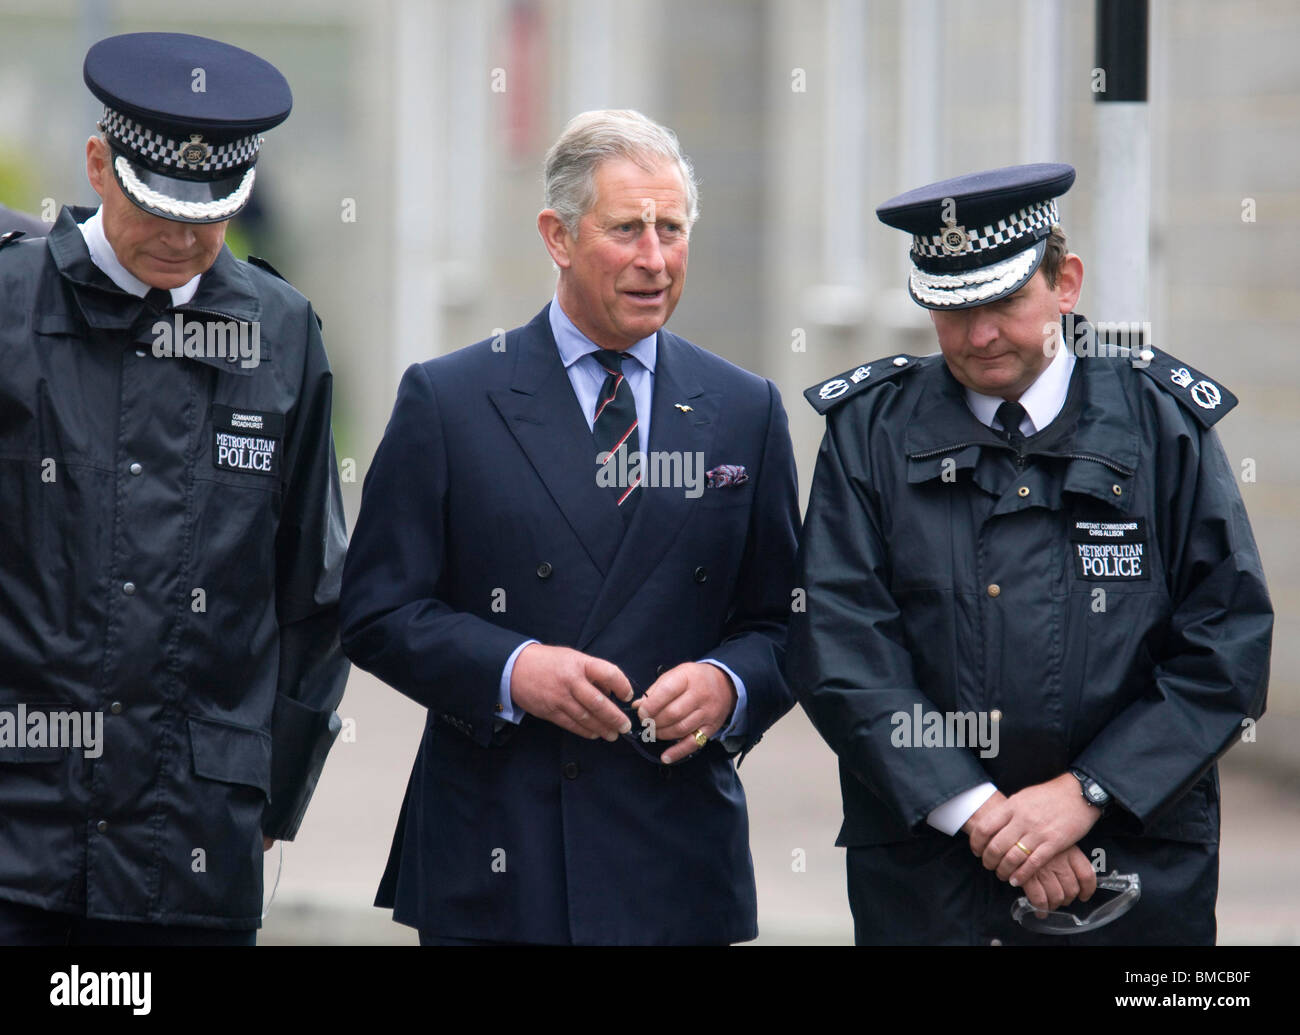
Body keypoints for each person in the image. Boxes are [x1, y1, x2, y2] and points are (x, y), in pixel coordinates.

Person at [340, 109, 800, 945]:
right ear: (557, 235)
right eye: (626, 230)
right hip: (499, 853)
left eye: (672, 229)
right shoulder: (450, 399)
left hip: (673, 859)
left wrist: (731, 687)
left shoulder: (745, 408)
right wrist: (515, 671)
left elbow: (790, 621)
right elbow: (374, 610)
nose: (654, 259)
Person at [787, 163, 1272, 945]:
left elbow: (1229, 642)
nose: (979, 335)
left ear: (1066, 282)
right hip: (931, 881)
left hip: (1130, 872)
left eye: (1005, 301)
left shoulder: (1161, 426)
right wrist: (977, 811)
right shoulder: (869, 434)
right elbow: (840, 646)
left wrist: (1088, 793)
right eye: (952, 308)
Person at [0, 32, 349, 945]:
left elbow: (314, 586)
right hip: (17, 827)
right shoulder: (7, 308)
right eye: (160, 208)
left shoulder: (282, 333)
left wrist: (276, 779)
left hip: (191, 846)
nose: (185, 237)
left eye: (211, 214)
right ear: (97, 165)